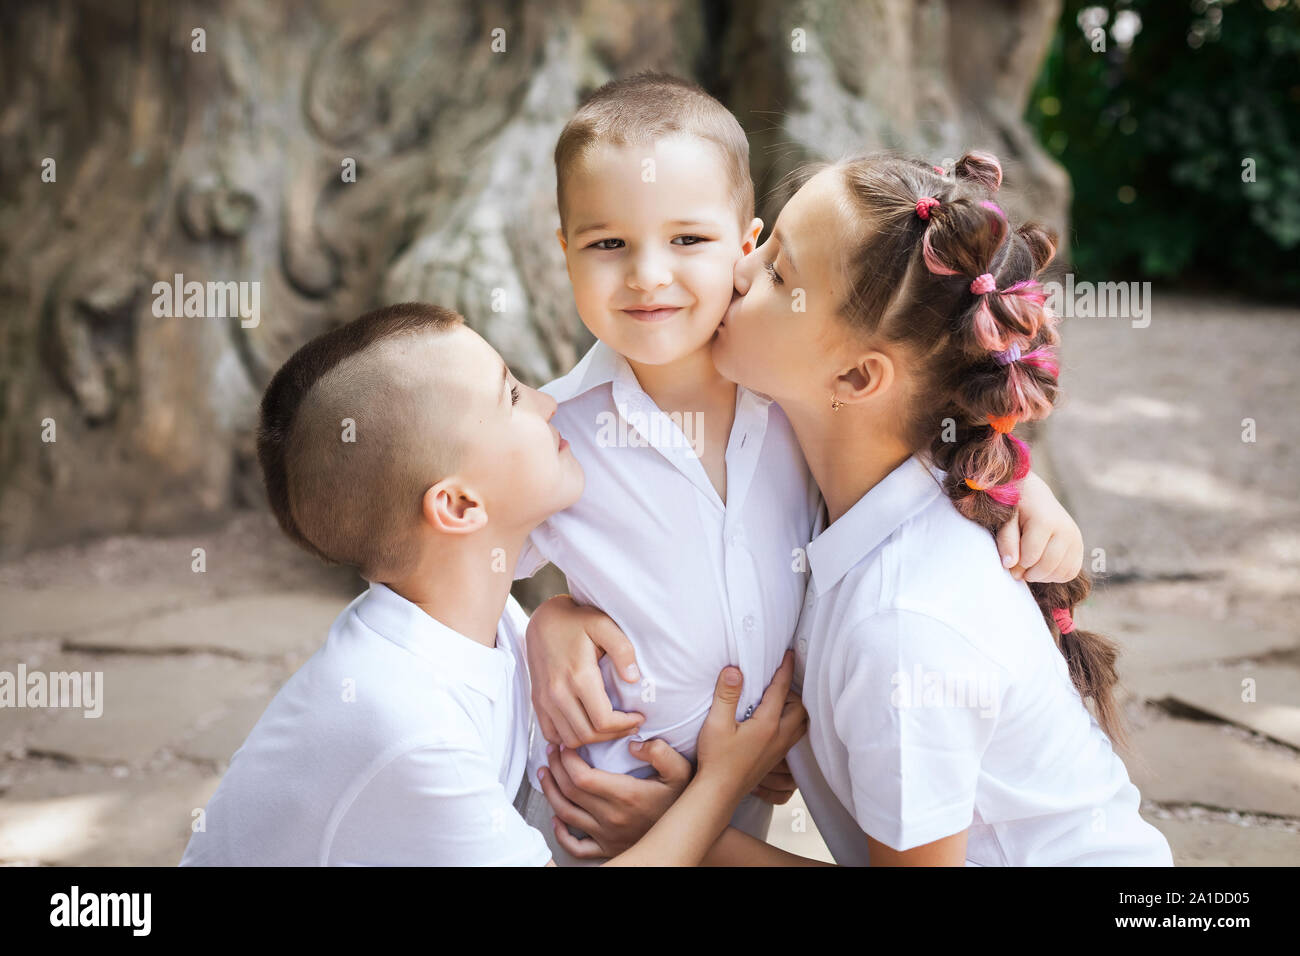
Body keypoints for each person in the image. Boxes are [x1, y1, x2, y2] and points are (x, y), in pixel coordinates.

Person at [514, 73, 1089, 863]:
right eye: (608, 242)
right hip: (596, 801)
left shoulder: (793, 415)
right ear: (567, 249)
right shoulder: (559, 430)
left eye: (772, 268)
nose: (649, 275)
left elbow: (920, 418)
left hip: (711, 821)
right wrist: (542, 624)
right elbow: (448, 569)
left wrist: (1026, 493)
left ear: (740, 242)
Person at [178, 302, 806, 867]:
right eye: (510, 396)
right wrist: (722, 780)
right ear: (457, 506)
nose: (548, 402)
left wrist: (555, 617)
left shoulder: (483, 626)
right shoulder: (406, 724)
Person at [696, 149, 1171, 864]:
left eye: (776, 273)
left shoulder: (903, 625)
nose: (737, 267)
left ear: (856, 376)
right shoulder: (856, 482)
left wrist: (684, 836)